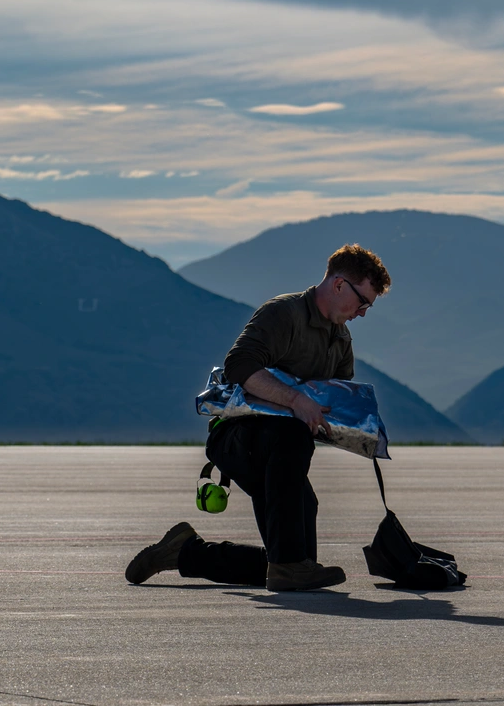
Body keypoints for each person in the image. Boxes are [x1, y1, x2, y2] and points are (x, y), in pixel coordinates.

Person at [125, 243, 391, 591]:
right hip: (238, 439)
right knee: (292, 444)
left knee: (291, 555)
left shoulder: (340, 340)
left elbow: (334, 399)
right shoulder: (284, 314)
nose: (362, 313)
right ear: (339, 285)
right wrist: (296, 400)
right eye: (363, 302)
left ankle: (184, 552)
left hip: (283, 452)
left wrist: (362, 429)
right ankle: (287, 567)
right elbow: (239, 366)